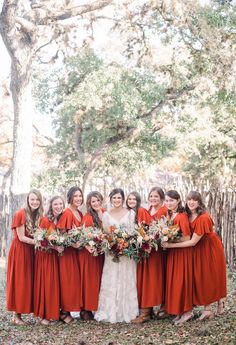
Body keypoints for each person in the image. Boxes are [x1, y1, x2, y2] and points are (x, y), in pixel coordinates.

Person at [162, 191, 227, 320]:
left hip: (209, 247)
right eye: (189, 199)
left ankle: (215, 306)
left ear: (199, 202)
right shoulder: (187, 214)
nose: (191, 202)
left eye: (194, 200)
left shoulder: (203, 217)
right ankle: (214, 305)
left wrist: (170, 245)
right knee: (201, 277)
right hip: (197, 248)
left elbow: (192, 241)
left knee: (210, 275)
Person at [95, 188, 139, 323]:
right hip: (112, 252)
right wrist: (113, 244)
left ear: (123, 199)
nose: (117, 200)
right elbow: (106, 233)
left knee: (127, 277)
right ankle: (110, 310)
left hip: (126, 253)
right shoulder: (106, 215)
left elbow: (133, 232)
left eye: (119, 198)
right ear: (110, 199)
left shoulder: (131, 213)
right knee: (112, 278)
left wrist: (126, 244)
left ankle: (127, 310)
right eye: (114, 198)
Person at [6, 189, 44, 325]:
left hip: (30, 251)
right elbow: (21, 237)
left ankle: (27, 311)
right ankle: (16, 316)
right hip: (19, 251)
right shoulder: (20, 213)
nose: (35, 202)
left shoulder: (37, 215)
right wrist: (41, 242)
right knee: (19, 281)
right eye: (32, 199)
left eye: (37, 200)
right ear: (28, 200)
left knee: (28, 282)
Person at [126, 191, 163, 323]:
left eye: (134, 199)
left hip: (148, 251)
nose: (131, 201)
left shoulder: (141, 211)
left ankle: (145, 312)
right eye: (129, 199)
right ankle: (148, 310)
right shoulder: (138, 211)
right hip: (141, 251)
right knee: (143, 280)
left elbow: (146, 231)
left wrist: (143, 244)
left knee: (148, 280)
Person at [163, 190, 193, 324]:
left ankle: (187, 312)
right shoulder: (169, 214)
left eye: (171, 200)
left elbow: (187, 237)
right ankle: (179, 311)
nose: (169, 203)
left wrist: (171, 242)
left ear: (178, 201)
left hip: (182, 253)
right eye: (167, 200)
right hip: (173, 253)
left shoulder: (181, 216)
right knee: (175, 281)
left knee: (182, 281)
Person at [34, 196, 65, 325]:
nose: (58, 206)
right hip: (45, 256)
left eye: (60, 204)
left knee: (53, 285)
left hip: (54, 256)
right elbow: (40, 240)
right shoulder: (45, 220)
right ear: (51, 206)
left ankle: (54, 312)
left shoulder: (60, 219)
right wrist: (54, 246)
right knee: (46, 283)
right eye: (55, 204)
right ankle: (43, 316)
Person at [56, 186, 83, 323]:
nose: (78, 198)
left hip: (76, 253)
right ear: (70, 197)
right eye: (75, 196)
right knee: (68, 281)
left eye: (80, 196)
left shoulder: (79, 212)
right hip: (67, 254)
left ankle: (70, 309)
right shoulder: (67, 213)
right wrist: (72, 244)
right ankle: (64, 312)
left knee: (74, 282)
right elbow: (61, 233)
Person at [80, 191, 105, 320]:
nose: (96, 203)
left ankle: (97, 306)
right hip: (90, 253)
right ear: (89, 203)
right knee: (90, 280)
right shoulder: (88, 217)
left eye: (97, 200)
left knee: (100, 280)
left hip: (102, 253)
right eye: (93, 201)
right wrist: (88, 246)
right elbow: (83, 235)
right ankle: (86, 309)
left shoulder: (105, 213)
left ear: (101, 200)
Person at [148, 187, 168, 320]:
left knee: (162, 275)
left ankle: (164, 305)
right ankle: (151, 304)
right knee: (153, 277)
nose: (153, 199)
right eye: (151, 196)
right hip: (150, 249)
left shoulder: (165, 210)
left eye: (156, 196)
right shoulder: (149, 209)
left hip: (161, 249)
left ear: (161, 197)